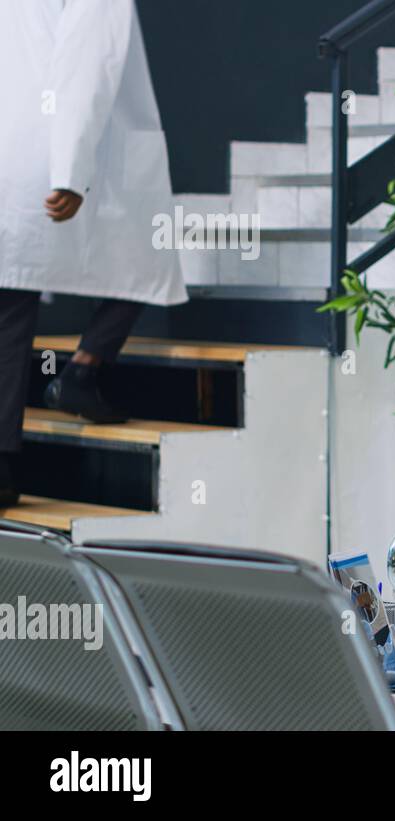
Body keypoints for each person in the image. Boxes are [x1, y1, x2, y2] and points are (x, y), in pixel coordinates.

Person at [0, 0, 187, 507]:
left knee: (9, 305)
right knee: (149, 254)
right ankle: (84, 369)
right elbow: (89, 63)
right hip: (61, 149)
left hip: (13, 142)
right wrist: (71, 169)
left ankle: (5, 461)